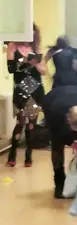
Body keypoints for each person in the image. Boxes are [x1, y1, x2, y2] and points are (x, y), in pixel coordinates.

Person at [42, 85, 77, 198]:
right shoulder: (55, 113)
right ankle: (59, 183)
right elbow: (56, 134)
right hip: (52, 99)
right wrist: (71, 141)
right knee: (57, 148)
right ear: (68, 120)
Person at [6, 26, 46, 167]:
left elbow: (44, 71)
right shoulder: (12, 46)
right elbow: (11, 69)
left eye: (33, 35)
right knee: (20, 122)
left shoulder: (36, 49)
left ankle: (28, 155)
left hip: (35, 90)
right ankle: (12, 153)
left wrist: (36, 64)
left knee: (31, 124)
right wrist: (26, 62)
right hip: (21, 89)